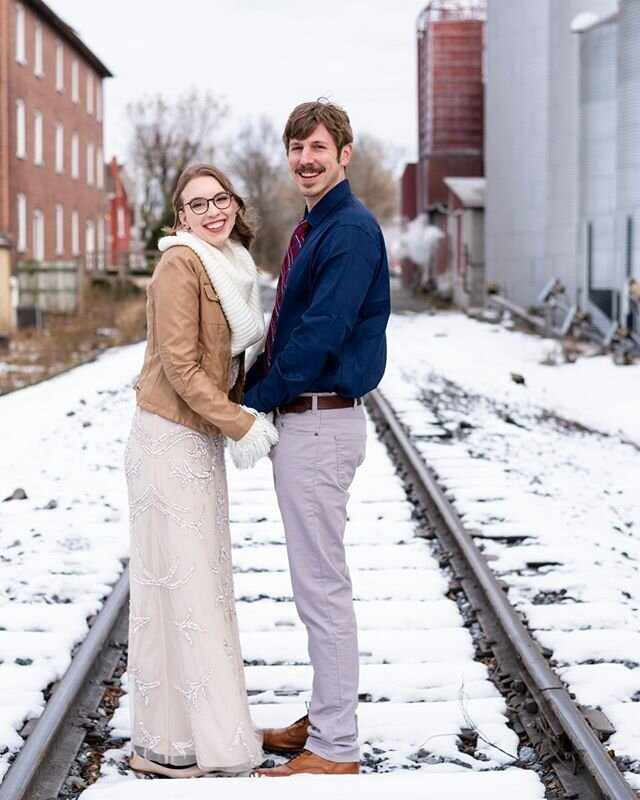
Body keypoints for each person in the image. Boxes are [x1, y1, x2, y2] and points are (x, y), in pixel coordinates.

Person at [244, 100, 391, 777]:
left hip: (321, 418)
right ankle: (324, 715)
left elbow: (321, 334)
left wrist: (254, 401)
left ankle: (335, 746)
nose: (305, 159)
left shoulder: (350, 230)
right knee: (316, 585)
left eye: (318, 148)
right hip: (311, 419)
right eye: (296, 147)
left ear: (345, 153)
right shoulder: (319, 225)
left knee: (322, 588)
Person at [124, 163, 277, 778]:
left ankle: (178, 740)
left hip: (195, 439)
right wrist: (243, 423)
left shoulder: (233, 264)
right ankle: (180, 745)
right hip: (169, 438)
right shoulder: (179, 265)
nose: (212, 211)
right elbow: (183, 369)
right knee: (184, 591)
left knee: (197, 587)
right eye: (197, 204)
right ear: (180, 217)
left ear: (235, 205)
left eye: (220, 199)